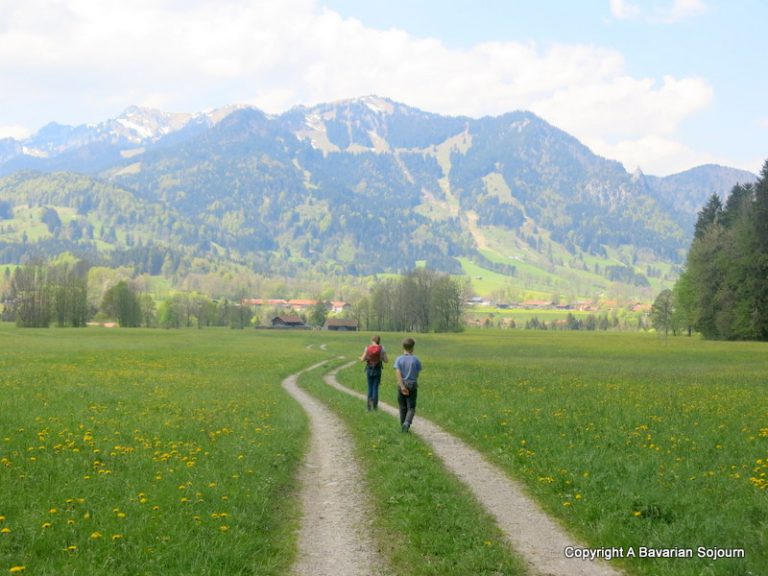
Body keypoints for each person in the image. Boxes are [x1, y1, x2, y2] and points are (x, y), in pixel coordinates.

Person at [394, 337, 422, 432]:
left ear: (403, 347)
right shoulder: (416, 360)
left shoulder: (399, 359)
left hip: (402, 385)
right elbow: (417, 374)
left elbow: (398, 374)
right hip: (412, 384)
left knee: (402, 407)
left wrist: (402, 386)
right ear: (412, 348)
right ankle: (407, 423)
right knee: (411, 408)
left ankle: (403, 427)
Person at [360, 335, 388, 411]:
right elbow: (386, 360)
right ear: (379, 341)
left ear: (372, 340)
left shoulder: (367, 348)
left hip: (369, 369)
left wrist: (363, 358)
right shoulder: (382, 348)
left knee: (370, 388)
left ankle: (369, 407)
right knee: (375, 388)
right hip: (377, 370)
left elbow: (362, 359)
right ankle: (375, 407)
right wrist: (381, 358)